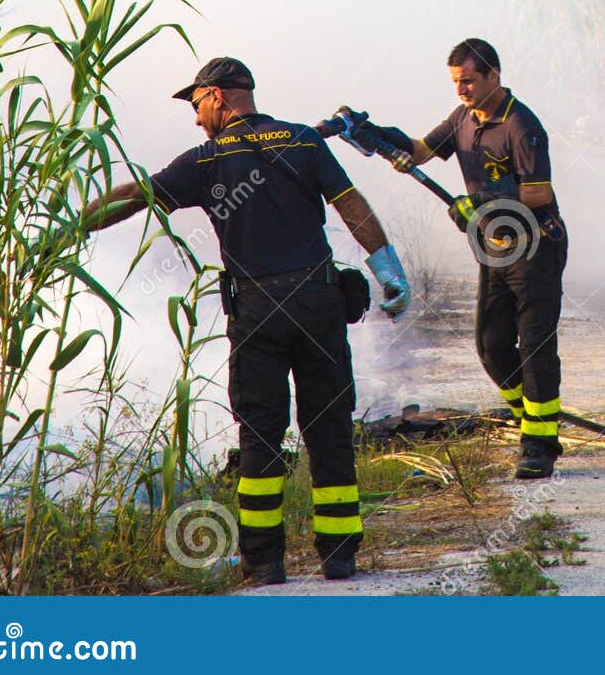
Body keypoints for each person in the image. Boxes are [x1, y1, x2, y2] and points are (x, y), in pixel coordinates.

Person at [80, 57, 410, 586]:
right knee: (329, 429)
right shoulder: (304, 140)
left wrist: (69, 228)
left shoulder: (206, 159)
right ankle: (340, 557)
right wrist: (388, 270)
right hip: (319, 301)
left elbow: (133, 198)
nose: (194, 118)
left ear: (215, 96)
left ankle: (264, 563)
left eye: (195, 104)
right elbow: (351, 205)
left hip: (258, 313)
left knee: (260, 436)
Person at [370, 39, 569, 480]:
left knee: (535, 347)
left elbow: (539, 192)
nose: (461, 90)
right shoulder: (464, 117)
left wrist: (479, 199)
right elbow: (421, 150)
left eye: (469, 81)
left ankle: (539, 445)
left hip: (535, 246)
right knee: (492, 346)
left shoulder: (521, 124)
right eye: (456, 82)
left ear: (492, 75)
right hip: (495, 247)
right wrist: (377, 136)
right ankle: (532, 421)